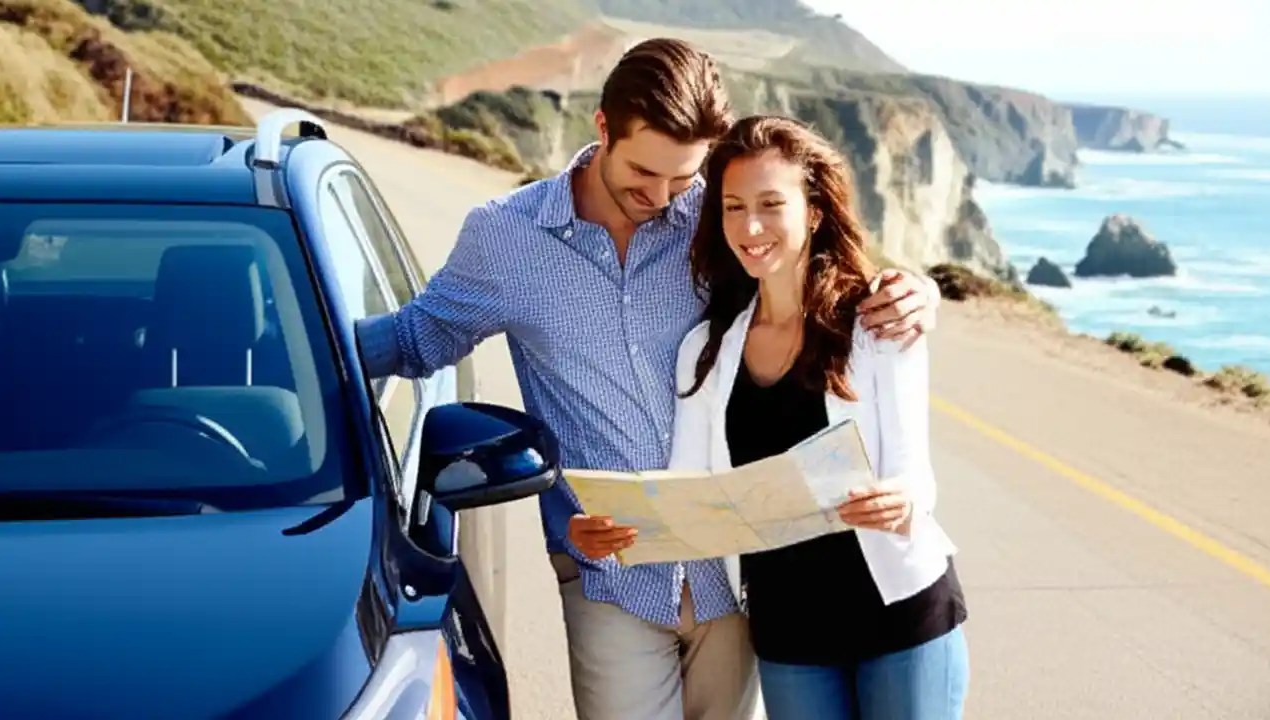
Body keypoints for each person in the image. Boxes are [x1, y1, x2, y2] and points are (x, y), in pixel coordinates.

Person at [355, 38, 945, 720]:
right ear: (602, 127)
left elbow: (808, 269)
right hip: (611, 575)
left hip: (734, 574)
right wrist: (294, 352)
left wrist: (914, 289)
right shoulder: (505, 239)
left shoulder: (714, 219)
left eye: (681, 177)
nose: (662, 197)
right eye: (643, 172)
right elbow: (414, 338)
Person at [666, 115, 969, 719]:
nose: (750, 227)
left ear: (813, 211)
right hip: (788, 634)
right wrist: (616, 531)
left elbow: (916, 477)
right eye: (732, 207)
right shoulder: (705, 349)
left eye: (771, 204)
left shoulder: (879, 322)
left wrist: (901, 502)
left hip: (900, 616)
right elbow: (687, 495)